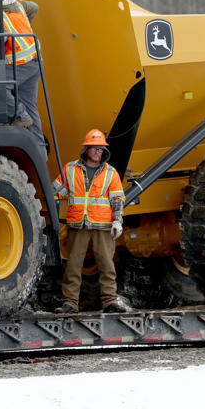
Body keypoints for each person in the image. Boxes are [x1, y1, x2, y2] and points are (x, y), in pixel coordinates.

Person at [52, 129, 128, 313]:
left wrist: (118, 221)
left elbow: (117, 199)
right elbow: (54, 192)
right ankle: (70, 304)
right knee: (73, 265)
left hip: (103, 226)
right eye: (94, 148)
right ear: (86, 149)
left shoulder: (111, 173)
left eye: (100, 149)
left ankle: (110, 302)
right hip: (78, 224)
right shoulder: (70, 169)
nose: (97, 152)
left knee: (106, 265)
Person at [1, 0, 46, 157]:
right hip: (35, 61)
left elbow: (0, 39)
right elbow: (34, 7)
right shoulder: (18, 4)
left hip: (19, 63)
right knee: (31, 108)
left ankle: (19, 115)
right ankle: (40, 153)